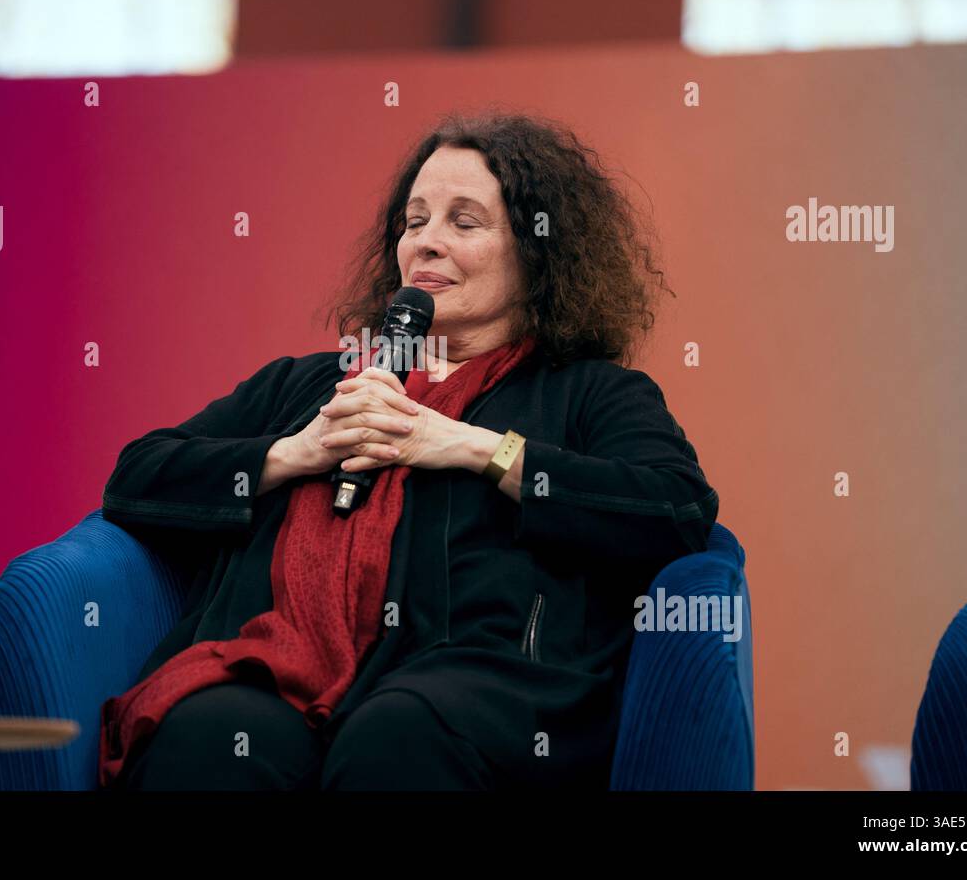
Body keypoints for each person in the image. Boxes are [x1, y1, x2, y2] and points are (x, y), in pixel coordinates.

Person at [97, 110, 720, 791]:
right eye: (414, 221)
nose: (425, 243)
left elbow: (674, 509)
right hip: (275, 671)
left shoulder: (589, 394)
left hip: (481, 685)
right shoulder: (312, 385)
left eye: (464, 221)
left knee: (396, 739)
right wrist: (297, 452)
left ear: (538, 249)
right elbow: (137, 478)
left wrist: (477, 448)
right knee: (211, 739)